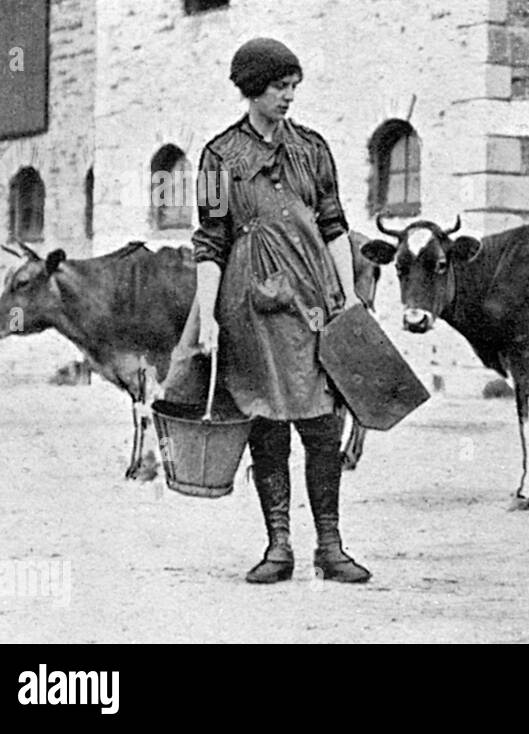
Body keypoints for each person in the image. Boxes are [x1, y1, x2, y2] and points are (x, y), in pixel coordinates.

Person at [190, 37, 369, 584]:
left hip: (313, 298)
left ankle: (331, 546)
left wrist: (351, 297)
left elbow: (335, 225)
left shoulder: (313, 149)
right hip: (249, 304)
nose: (288, 96)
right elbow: (210, 242)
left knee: (321, 425)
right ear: (251, 89)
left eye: (293, 86)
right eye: (277, 87)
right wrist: (208, 315)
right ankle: (279, 546)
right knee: (266, 425)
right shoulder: (220, 157)